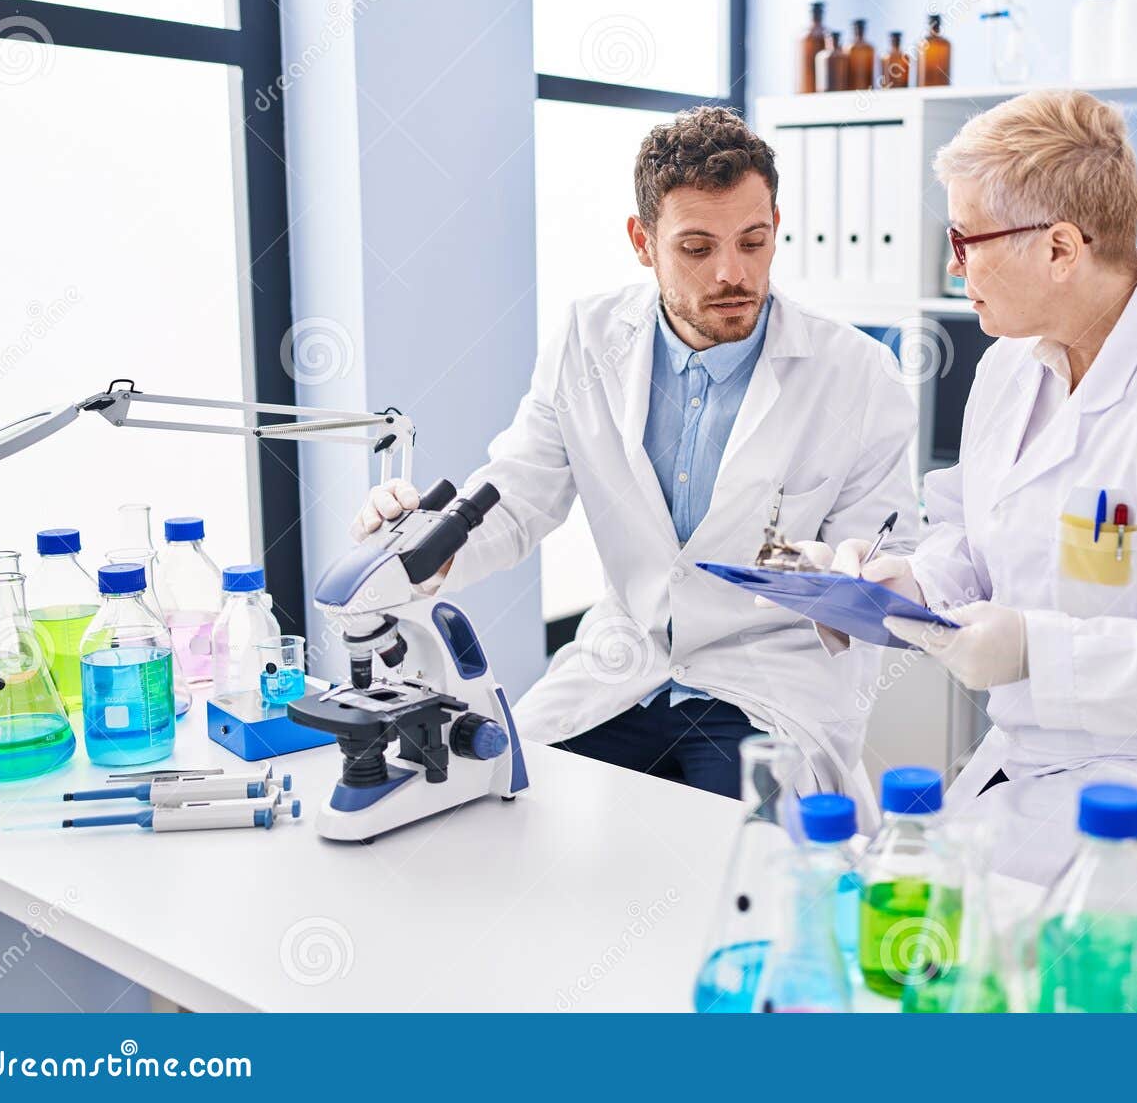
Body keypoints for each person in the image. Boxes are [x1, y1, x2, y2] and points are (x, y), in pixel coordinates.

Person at [816, 89, 1137, 928]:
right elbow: (974, 533)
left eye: (964, 241)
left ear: (1060, 247)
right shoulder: (1011, 364)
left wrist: (1039, 650)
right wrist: (908, 585)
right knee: (894, 900)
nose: (954, 269)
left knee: (954, 928)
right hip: (1049, 753)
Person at [350, 107, 918, 808]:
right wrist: (424, 545)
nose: (733, 273)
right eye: (697, 248)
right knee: (499, 795)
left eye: (754, 241)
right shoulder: (587, 339)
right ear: (642, 242)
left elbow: (884, 558)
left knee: (737, 846)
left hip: (767, 681)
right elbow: (519, 495)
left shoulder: (857, 375)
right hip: (625, 663)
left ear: (776, 225)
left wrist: (855, 579)